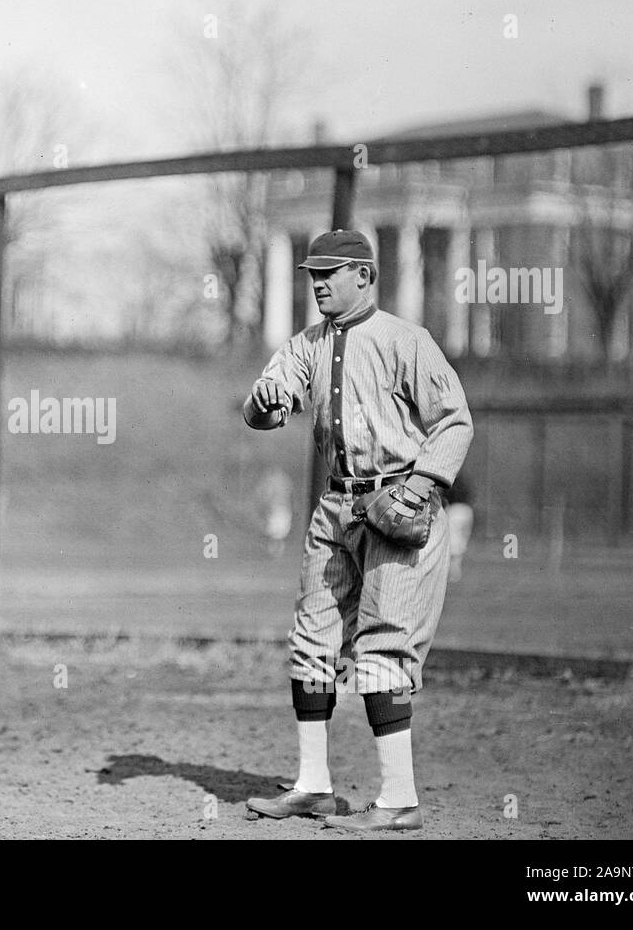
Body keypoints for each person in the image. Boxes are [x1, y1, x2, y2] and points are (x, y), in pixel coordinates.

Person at [241, 229, 473, 832]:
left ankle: (398, 800)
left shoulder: (405, 340)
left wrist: (422, 486)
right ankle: (314, 786)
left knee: (381, 648)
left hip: (398, 502)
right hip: (336, 505)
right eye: (312, 273)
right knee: (312, 638)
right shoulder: (307, 344)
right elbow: (267, 406)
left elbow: (455, 422)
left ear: (365, 276)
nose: (317, 282)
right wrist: (266, 402)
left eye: (331, 272)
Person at [444, 473, 475, 582]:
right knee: (460, 540)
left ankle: (452, 574)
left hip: (453, 510)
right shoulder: (464, 486)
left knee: (452, 538)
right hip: (466, 509)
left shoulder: (448, 482)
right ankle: (455, 571)